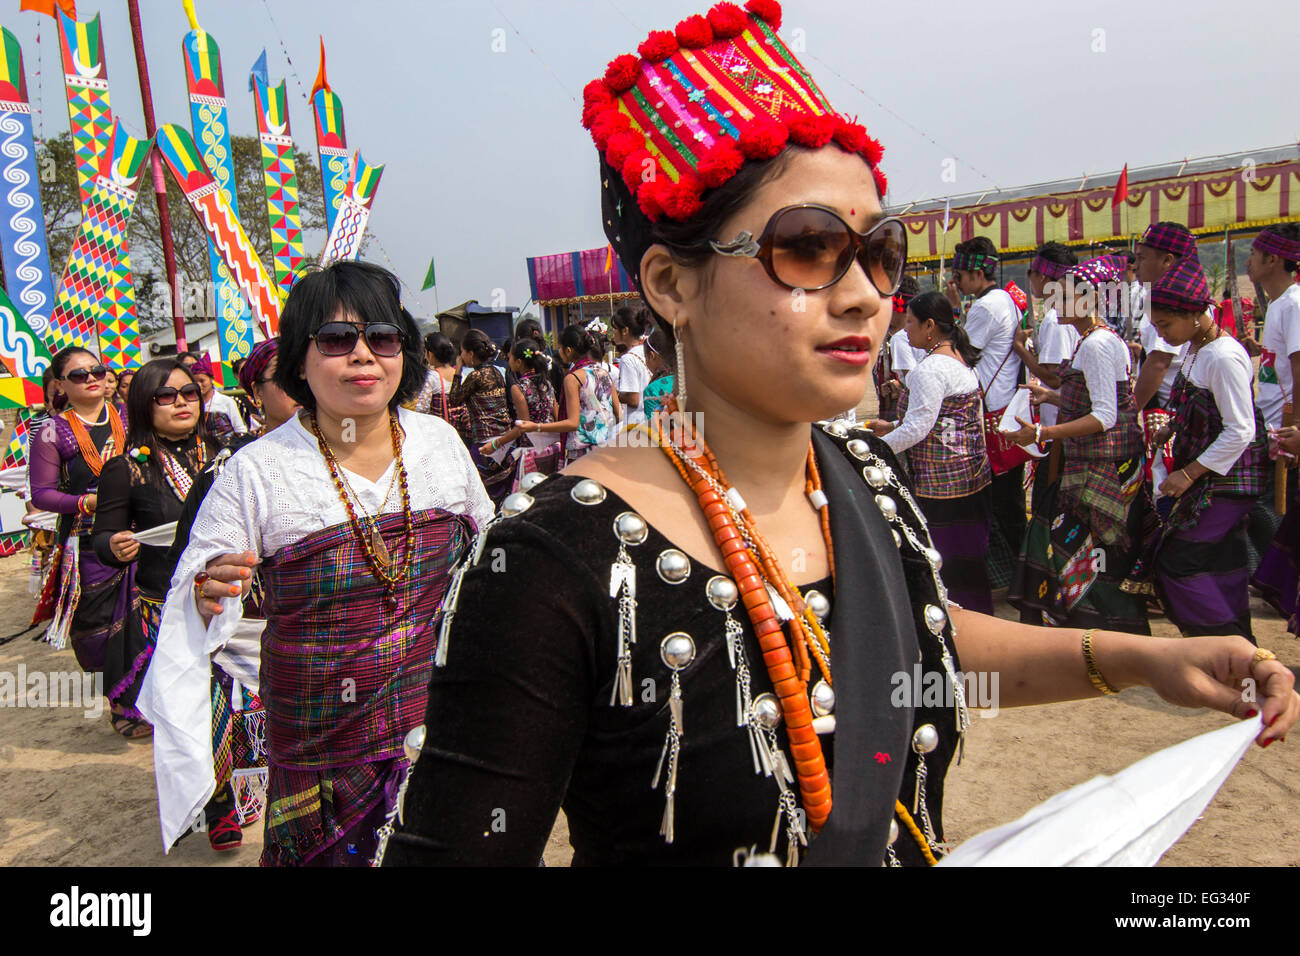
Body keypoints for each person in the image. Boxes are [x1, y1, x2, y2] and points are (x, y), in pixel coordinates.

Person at [380, 1, 1296, 869]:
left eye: (878, 252)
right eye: (808, 248)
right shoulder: (548, 557)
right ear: (669, 285)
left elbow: (922, 660)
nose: (863, 292)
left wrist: (1146, 663)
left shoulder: (859, 475)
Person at [154, 260, 494, 866]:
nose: (363, 355)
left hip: (441, 730)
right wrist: (208, 589)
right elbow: (196, 582)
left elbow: (488, 554)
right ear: (300, 360)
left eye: (382, 338)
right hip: (323, 750)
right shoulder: (256, 470)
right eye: (338, 340)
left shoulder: (439, 443)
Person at [139, 338, 298, 854]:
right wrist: (209, 582)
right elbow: (192, 556)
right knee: (235, 724)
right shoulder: (232, 467)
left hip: (327, 634)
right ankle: (221, 805)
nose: (300, 383)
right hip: (248, 629)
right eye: (283, 375)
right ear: (254, 392)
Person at [1006, 256, 1152, 634]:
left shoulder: (1098, 344)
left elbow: (1104, 416)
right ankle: (1089, 626)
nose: (1056, 302)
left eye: (1065, 295)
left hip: (1103, 465)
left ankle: (1102, 630)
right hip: (1096, 461)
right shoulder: (1094, 340)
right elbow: (1103, 399)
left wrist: (1042, 434)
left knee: (1073, 545)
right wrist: (1050, 397)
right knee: (1070, 544)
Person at [91, 359, 217, 746]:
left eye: (189, 392)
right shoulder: (126, 469)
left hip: (230, 605)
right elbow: (103, 538)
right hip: (168, 610)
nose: (181, 402)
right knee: (186, 724)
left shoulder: (228, 456)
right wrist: (114, 545)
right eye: (166, 395)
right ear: (146, 403)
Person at [1140, 258, 1267, 640]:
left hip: (1226, 482)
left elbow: (1241, 429)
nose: (1162, 333)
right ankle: (1241, 649)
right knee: (1222, 565)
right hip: (1210, 477)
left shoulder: (1222, 356)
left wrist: (1188, 472)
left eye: (1166, 325)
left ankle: (1223, 646)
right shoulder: (1196, 348)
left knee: (1178, 561)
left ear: (1195, 314)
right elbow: (1201, 407)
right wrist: (1172, 429)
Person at [27, 348, 135, 734]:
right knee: (102, 628)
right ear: (60, 385)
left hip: (139, 532)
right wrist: (86, 502)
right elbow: (41, 493)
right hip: (87, 543)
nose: (92, 378)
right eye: (79, 375)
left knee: (147, 617)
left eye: (97, 370)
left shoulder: (128, 416)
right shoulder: (52, 431)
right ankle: (122, 705)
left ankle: (155, 701)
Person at [867, 292, 993, 613]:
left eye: (910, 322)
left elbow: (918, 430)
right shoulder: (959, 360)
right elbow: (936, 420)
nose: (905, 329)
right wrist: (892, 424)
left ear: (930, 326)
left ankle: (957, 627)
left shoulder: (931, 370)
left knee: (944, 564)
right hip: (971, 476)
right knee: (969, 562)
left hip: (941, 486)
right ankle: (979, 618)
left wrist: (874, 447)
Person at [951, 235, 1027, 587]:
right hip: (1004, 405)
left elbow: (962, 352)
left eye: (960, 274)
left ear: (977, 275)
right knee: (1008, 499)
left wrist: (952, 311)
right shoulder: (1007, 299)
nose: (956, 281)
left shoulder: (984, 307)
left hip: (990, 413)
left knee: (997, 500)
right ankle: (1018, 571)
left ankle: (1014, 574)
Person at [1247, 223, 1300, 619]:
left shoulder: (1293, 303)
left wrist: (1296, 430)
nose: (1248, 261)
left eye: (1254, 254)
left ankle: (1280, 585)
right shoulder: (1280, 304)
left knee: (1269, 507)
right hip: (1271, 422)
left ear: (1273, 260)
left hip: (1285, 428)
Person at [1132, 223, 1196, 516]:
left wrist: (1127, 413)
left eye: (1143, 257)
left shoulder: (1170, 299)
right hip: (1176, 416)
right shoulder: (1171, 294)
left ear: (1167, 260)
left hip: (1172, 415)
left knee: (1165, 500)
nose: (1136, 265)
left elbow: (1158, 363)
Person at [516, 322, 620, 466]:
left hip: (581, 455)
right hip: (605, 450)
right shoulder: (604, 373)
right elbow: (618, 413)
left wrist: (536, 427)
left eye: (560, 347)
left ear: (569, 350)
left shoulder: (573, 378)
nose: (559, 351)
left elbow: (572, 423)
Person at [479, 337, 561, 487]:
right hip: (552, 447)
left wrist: (496, 444)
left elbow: (523, 427)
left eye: (510, 357)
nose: (508, 360)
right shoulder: (546, 383)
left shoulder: (519, 388)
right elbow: (557, 415)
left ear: (519, 362)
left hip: (532, 451)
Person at [449, 328, 514, 505]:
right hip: (504, 438)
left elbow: (454, 399)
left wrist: (457, 371)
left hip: (485, 441)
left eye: (462, 352)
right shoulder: (497, 373)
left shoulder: (475, 377)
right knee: (504, 492)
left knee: (486, 495)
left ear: (470, 353)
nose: (461, 355)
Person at [875, 276, 919, 422]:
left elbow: (914, 382)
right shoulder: (926, 334)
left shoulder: (899, 338)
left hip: (907, 411)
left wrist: (900, 386)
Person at [410, 331, 461, 426]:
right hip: (461, 429)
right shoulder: (460, 375)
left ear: (430, 354)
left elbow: (422, 408)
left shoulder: (432, 377)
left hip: (441, 427)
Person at [611, 305, 653, 425]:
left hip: (637, 422)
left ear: (625, 330)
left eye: (614, 328)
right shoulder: (647, 351)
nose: (613, 332)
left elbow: (633, 399)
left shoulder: (628, 359)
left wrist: (613, 392)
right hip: (650, 418)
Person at [190, 354, 247, 439]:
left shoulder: (226, 402)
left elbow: (240, 430)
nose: (199, 385)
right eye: (195, 382)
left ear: (212, 379)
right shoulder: (192, 404)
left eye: (202, 381)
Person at [641, 323, 675, 419]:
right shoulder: (690, 379)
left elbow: (654, 429)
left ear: (652, 356)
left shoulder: (652, 390)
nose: (646, 362)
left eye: (645, 357)